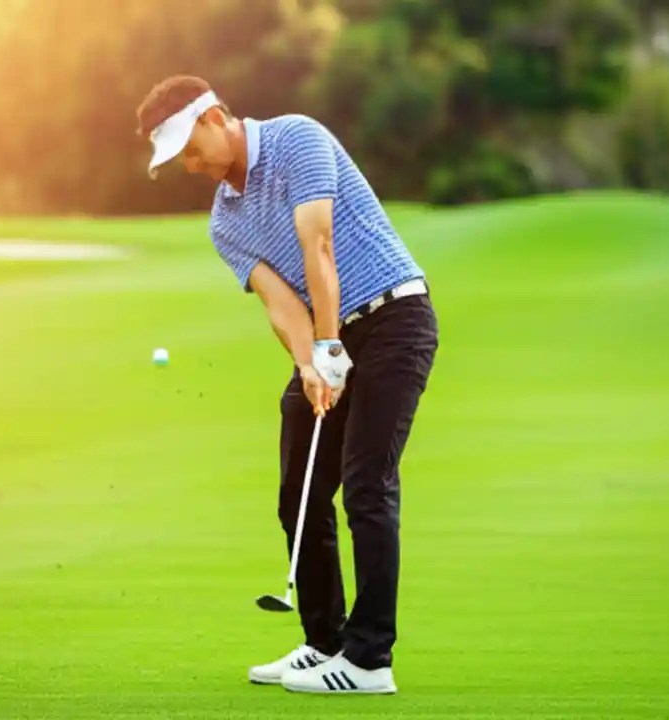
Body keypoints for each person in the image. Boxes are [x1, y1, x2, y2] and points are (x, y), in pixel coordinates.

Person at [136, 75, 438, 695]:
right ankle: (325, 641)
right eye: (179, 161)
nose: (191, 167)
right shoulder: (225, 222)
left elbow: (318, 247)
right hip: (331, 336)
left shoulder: (296, 138)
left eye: (192, 150)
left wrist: (330, 348)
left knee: (365, 485)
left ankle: (369, 659)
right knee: (297, 487)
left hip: (394, 321)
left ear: (216, 116)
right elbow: (281, 304)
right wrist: (310, 362)